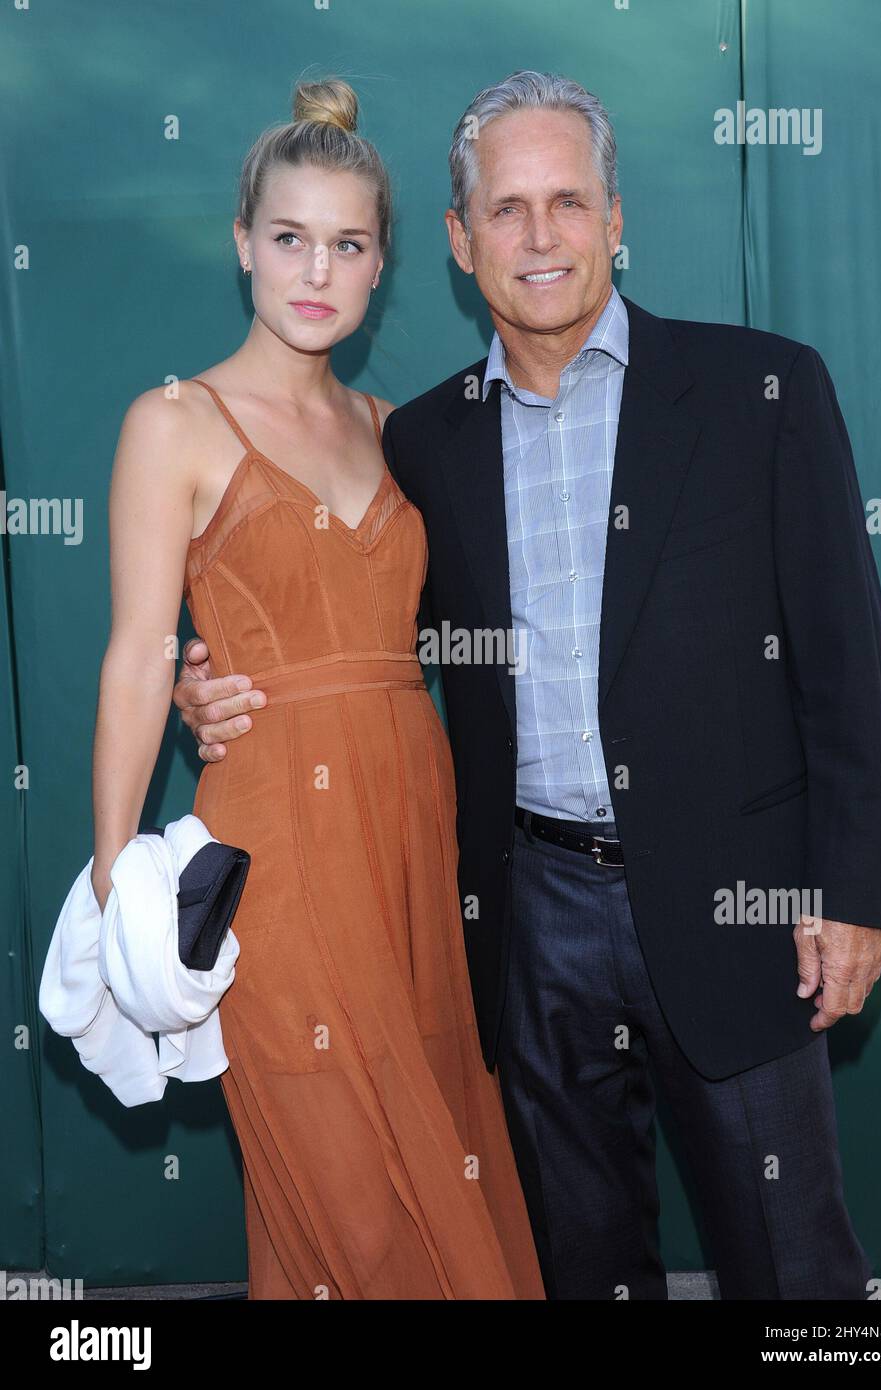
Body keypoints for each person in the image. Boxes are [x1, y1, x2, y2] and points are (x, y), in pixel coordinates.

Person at [174, 71, 881, 1300]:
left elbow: (847, 662)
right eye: (505, 210)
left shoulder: (760, 392)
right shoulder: (422, 442)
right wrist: (215, 686)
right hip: (529, 922)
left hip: (739, 912)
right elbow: (343, 621)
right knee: (578, 1264)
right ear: (460, 246)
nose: (540, 235)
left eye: (567, 201)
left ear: (616, 218)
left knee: (796, 1273)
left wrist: (854, 889)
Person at [93, 76, 545, 1301]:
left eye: (347, 245)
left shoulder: (393, 427)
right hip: (276, 843)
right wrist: (109, 873)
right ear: (242, 242)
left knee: (439, 1140)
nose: (315, 269)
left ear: (384, 264)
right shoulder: (173, 422)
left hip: (412, 834)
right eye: (289, 236)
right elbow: (141, 652)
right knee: (342, 1180)